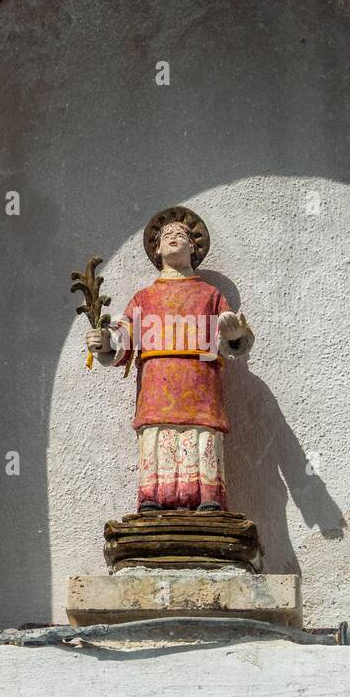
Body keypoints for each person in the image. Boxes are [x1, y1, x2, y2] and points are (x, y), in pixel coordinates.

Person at [85, 206, 254, 512]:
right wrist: (105, 342)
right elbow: (125, 334)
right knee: (157, 433)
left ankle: (208, 497)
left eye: (181, 235)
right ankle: (153, 498)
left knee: (201, 434)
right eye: (167, 235)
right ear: (158, 250)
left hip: (201, 382)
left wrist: (233, 333)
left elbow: (231, 338)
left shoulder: (211, 295)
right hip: (157, 383)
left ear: (194, 248)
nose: (174, 237)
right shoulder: (144, 297)